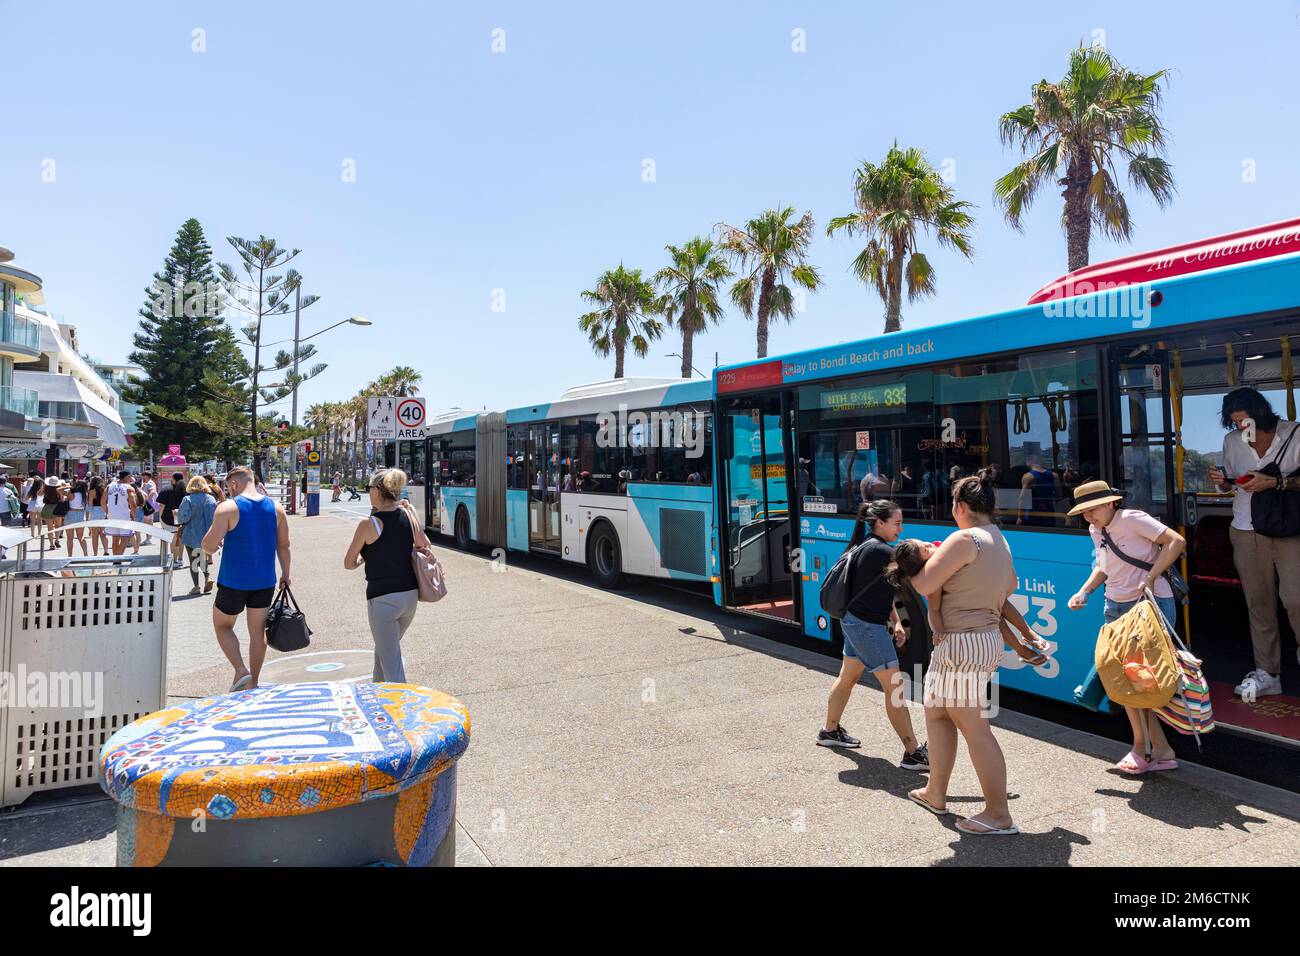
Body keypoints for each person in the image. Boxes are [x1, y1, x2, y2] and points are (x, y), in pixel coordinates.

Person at [893, 470, 1033, 836]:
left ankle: (999, 814)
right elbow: (1010, 585)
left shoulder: (964, 537)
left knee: (975, 727)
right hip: (979, 640)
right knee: (936, 711)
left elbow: (924, 583)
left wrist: (908, 568)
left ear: (960, 506)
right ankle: (935, 791)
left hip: (962, 642)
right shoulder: (999, 539)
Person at [1064, 480, 1186, 773]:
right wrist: (1084, 592)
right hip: (1114, 606)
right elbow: (1104, 567)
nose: (1089, 517)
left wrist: (1151, 576)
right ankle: (1160, 750)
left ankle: (1141, 749)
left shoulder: (1133, 519)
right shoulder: (1097, 530)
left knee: (1137, 678)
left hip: (1147, 606)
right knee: (1125, 676)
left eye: (1092, 510)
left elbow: (1176, 542)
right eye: (1084, 512)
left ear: (1110, 503)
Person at [817, 499, 929, 770]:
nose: (900, 529)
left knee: (848, 676)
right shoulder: (881, 551)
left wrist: (896, 621)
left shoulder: (866, 545)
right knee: (894, 689)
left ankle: (830, 732)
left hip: (856, 622)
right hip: (866, 627)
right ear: (880, 522)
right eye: (897, 523)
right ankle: (913, 753)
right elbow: (919, 571)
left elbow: (879, 588)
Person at [1206, 387, 1300, 699]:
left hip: (1289, 529)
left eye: (1244, 422)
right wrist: (1222, 483)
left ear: (1261, 414)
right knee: (1258, 604)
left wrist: (1276, 482)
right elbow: (1233, 483)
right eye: (1234, 424)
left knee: (1295, 600)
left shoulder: (1294, 433)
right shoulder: (1233, 441)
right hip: (1245, 528)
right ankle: (1268, 673)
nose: (1240, 429)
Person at [203, 465, 291, 692]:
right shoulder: (277, 508)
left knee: (222, 625)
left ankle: (241, 670)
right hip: (264, 581)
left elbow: (209, 547)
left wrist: (211, 540)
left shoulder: (228, 508)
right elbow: (284, 545)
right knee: (257, 632)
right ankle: (254, 682)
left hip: (233, 580)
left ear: (233, 483)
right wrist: (286, 574)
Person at [344, 468, 426, 683]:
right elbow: (423, 545)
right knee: (383, 650)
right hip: (410, 595)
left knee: (392, 665)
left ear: (377, 491)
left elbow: (348, 563)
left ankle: (401, 711)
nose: (368, 492)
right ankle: (377, 696)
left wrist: (364, 558)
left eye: (369, 488)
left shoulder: (368, 524)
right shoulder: (407, 515)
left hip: (382, 599)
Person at [176, 475, 218, 595]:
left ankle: (196, 586)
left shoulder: (188, 499)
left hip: (191, 533)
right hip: (207, 533)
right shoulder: (211, 499)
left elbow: (183, 518)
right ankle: (207, 577)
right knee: (201, 557)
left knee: (193, 560)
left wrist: (177, 513)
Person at [104, 471, 140, 555]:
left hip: (112, 515)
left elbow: (103, 501)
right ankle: (118, 558)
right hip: (124, 515)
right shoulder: (129, 488)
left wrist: (108, 512)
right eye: (130, 476)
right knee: (124, 538)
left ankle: (115, 557)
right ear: (126, 477)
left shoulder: (109, 486)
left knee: (115, 538)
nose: (131, 479)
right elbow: (133, 504)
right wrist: (133, 516)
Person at [63, 479, 88, 556]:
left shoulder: (71, 493)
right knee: (81, 537)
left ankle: (69, 555)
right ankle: (85, 554)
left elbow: (58, 490)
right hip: (80, 514)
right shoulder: (85, 495)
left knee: (70, 538)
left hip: (70, 514)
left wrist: (68, 486)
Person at [86, 476, 107, 555]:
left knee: (95, 535)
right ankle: (106, 550)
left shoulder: (92, 491)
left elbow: (90, 505)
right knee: (103, 533)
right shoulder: (104, 490)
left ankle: (95, 553)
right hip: (103, 511)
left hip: (95, 512)